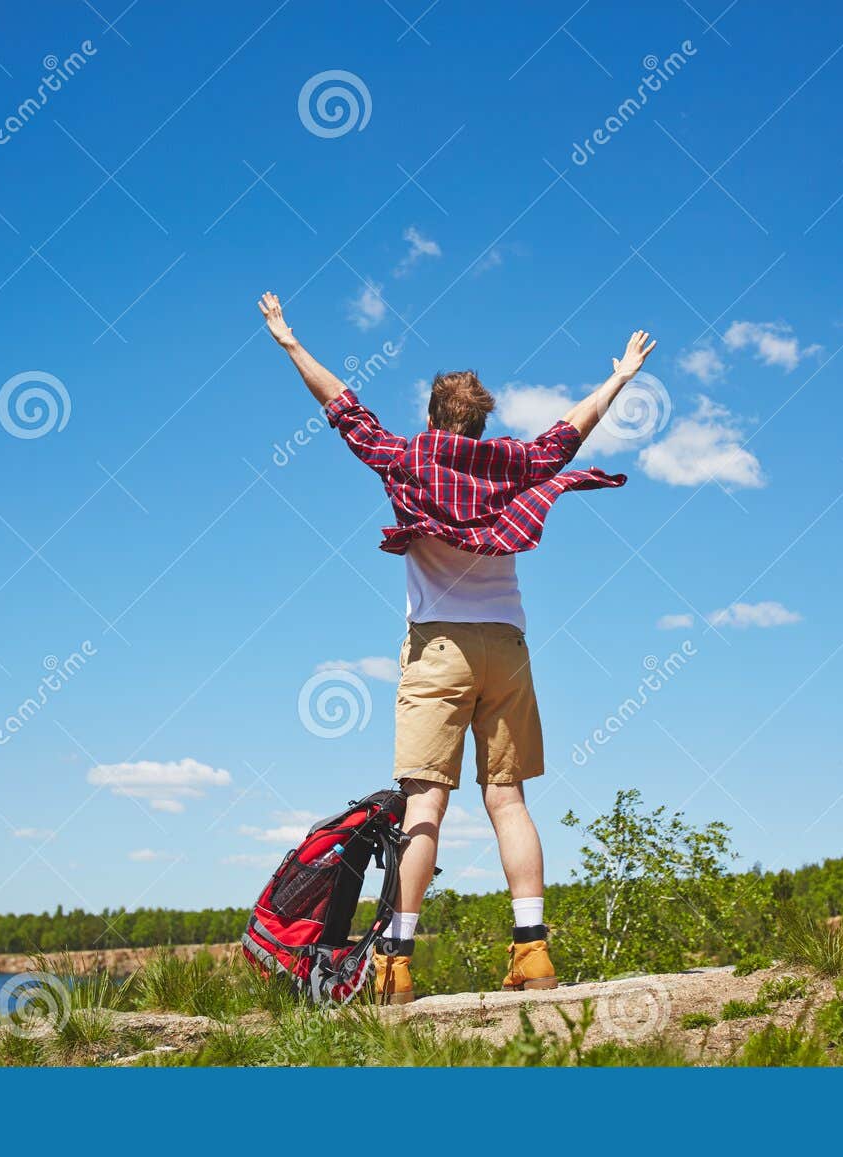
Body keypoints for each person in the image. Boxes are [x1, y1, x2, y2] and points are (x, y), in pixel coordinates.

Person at [258, 291, 656, 1003]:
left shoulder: (409, 460)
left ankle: (396, 965)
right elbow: (571, 433)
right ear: (480, 419)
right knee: (508, 799)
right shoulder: (510, 464)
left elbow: (344, 410)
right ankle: (532, 951)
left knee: (424, 807)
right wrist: (620, 377)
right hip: (507, 645)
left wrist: (290, 344)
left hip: (437, 648)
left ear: (437, 417)